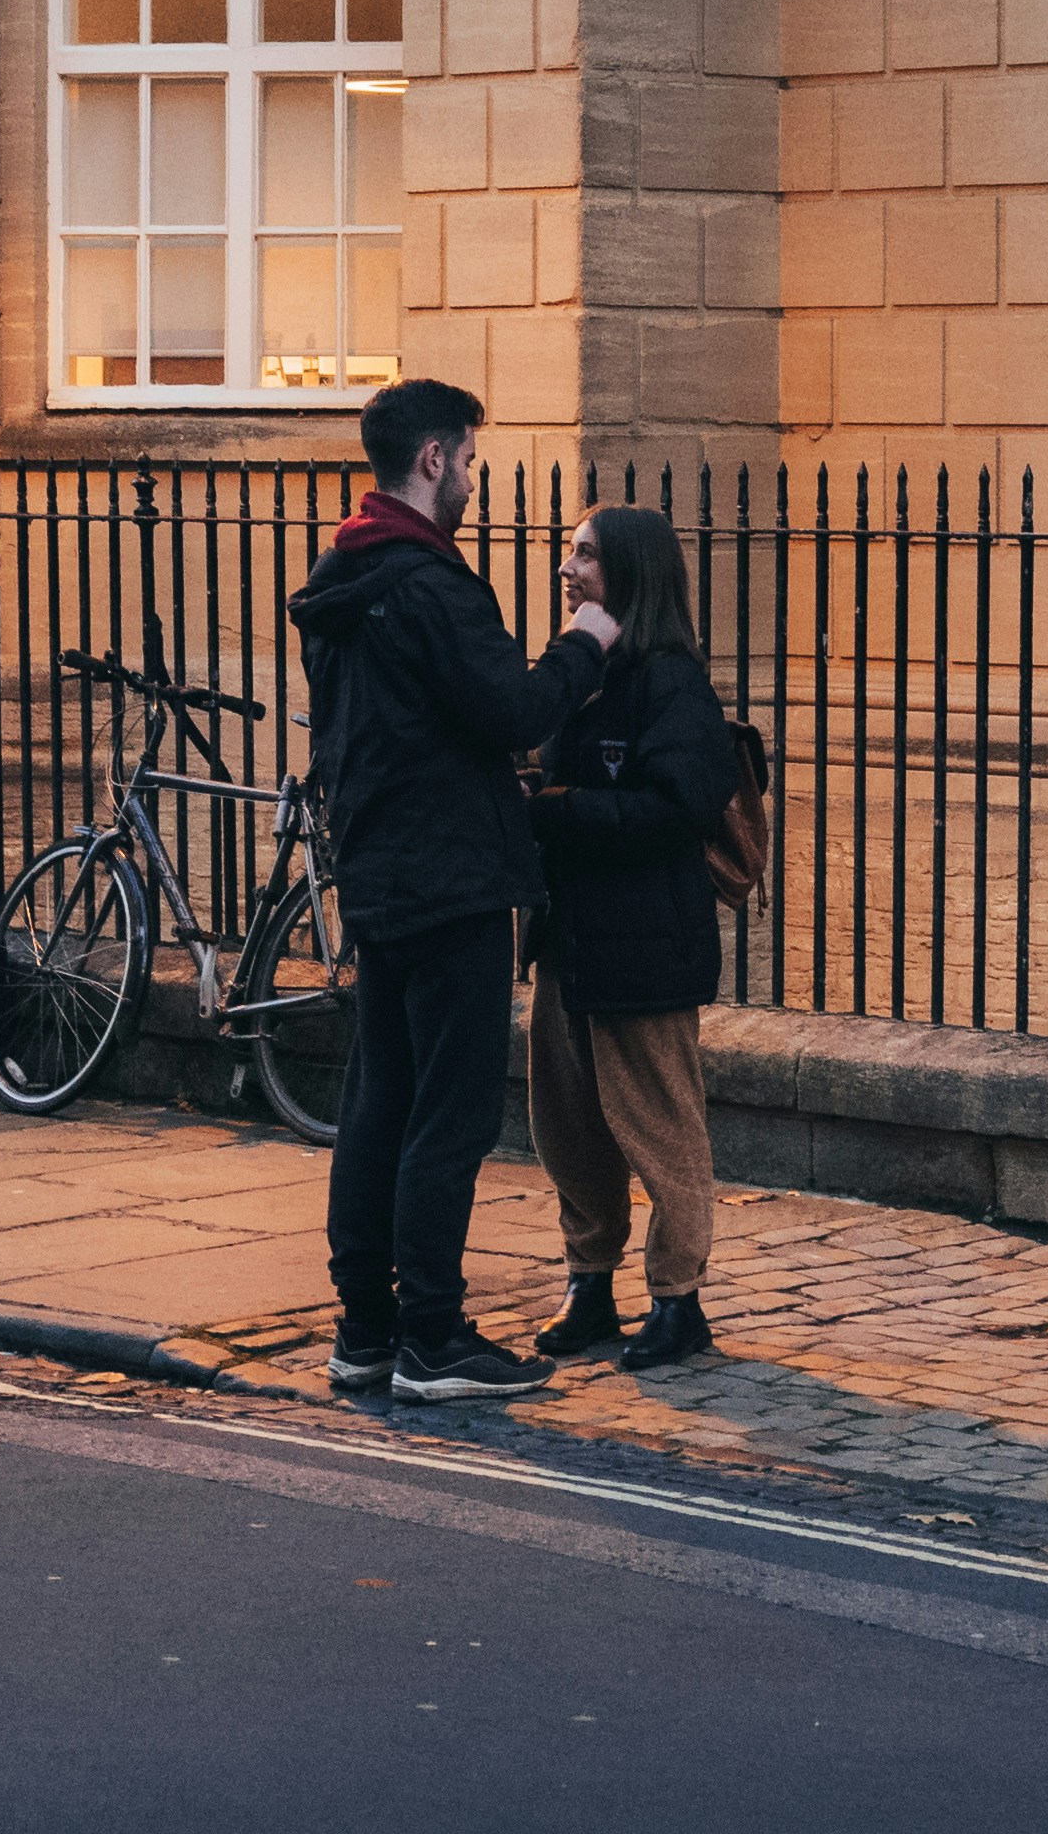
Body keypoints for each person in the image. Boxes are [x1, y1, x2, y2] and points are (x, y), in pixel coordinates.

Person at [285, 376, 596, 1404]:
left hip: (376, 867)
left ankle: (364, 1329)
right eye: (467, 458)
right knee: (447, 1114)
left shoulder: (344, 573)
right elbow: (512, 709)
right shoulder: (430, 584)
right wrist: (585, 647)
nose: (471, 476)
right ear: (431, 459)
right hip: (453, 876)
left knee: (379, 1100)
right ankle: (432, 1334)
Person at [521, 502, 741, 1373]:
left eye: (585, 556)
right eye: (568, 553)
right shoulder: (582, 671)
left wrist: (562, 810)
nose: (567, 568)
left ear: (635, 575)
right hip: (570, 937)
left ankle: (678, 1300)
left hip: (646, 942)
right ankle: (590, 1283)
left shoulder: (674, 682)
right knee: (568, 1125)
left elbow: (678, 809)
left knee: (660, 1128)